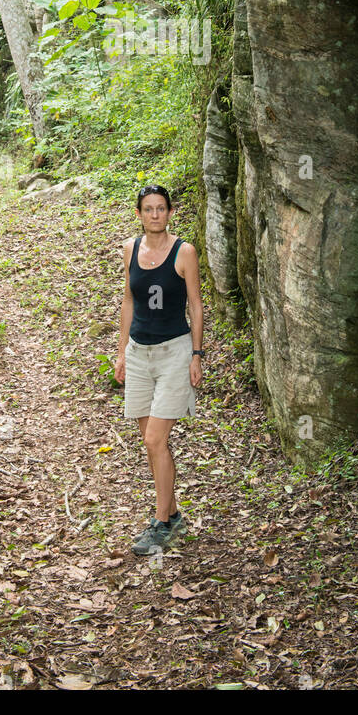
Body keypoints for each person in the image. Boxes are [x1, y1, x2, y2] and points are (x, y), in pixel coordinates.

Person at [114, 183, 204, 556]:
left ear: (169, 212)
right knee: (154, 446)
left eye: (161, 208)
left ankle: (161, 524)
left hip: (174, 353)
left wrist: (197, 354)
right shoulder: (130, 249)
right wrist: (121, 353)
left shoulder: (184, 252)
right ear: (139, 214)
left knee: (155, 440)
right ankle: (173, 513)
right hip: (139, 353)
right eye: (148, 209)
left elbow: (197, 306)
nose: (155, 214)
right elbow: (128, 299)